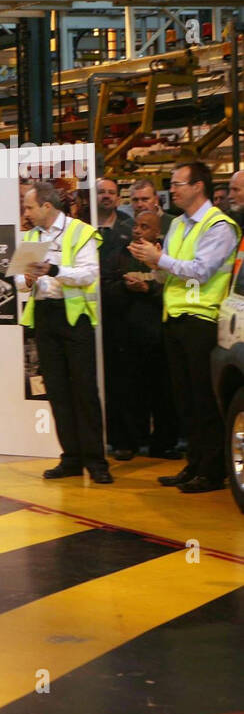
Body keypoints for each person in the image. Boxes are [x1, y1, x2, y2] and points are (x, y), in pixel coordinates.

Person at [128, 161, 241, 493]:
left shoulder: (219, 226)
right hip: (175, 318)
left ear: (198, 187)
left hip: (202, 320)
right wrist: (152, 264)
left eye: (177, 184)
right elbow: (171, 273)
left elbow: (201, 271)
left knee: (204, 399)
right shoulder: (177, 224)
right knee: (185, 399)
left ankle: (212, 470)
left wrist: (159, 259)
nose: (172, 189)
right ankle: (194, 463)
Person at [17, 180, 112, 483]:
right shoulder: (31, 236)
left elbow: (89, 274)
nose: (25, 212)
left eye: (29, 207)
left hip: (74, 318)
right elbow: (19, 281)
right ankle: (70, 458)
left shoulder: (79, 231)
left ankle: (96, 462)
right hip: (45, 317)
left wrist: (54, 270)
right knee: (57, 391)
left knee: (85, 391)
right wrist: (27, 279)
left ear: (47, 206)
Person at [118, 210, 181, 459]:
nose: (137, 230)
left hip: (161, 334)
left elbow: (177, 288)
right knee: (131, 392)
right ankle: (130, 443)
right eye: (136, 225)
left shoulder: (168, 257)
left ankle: (163, 444)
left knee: (164, 394)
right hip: (129, 335)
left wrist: (148, 288)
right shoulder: (122, 255)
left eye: (145, 227)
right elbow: (107, 286)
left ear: (157, 232)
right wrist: (124, 287)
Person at [95, 178, 137, 460]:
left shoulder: (130, 228)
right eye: (101, 192)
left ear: (119, 198)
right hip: (88, 312)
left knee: (123, 380)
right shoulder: (82, 226)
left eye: (112, 192)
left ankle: (125, 440)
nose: (107, 196)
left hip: (123, 313)